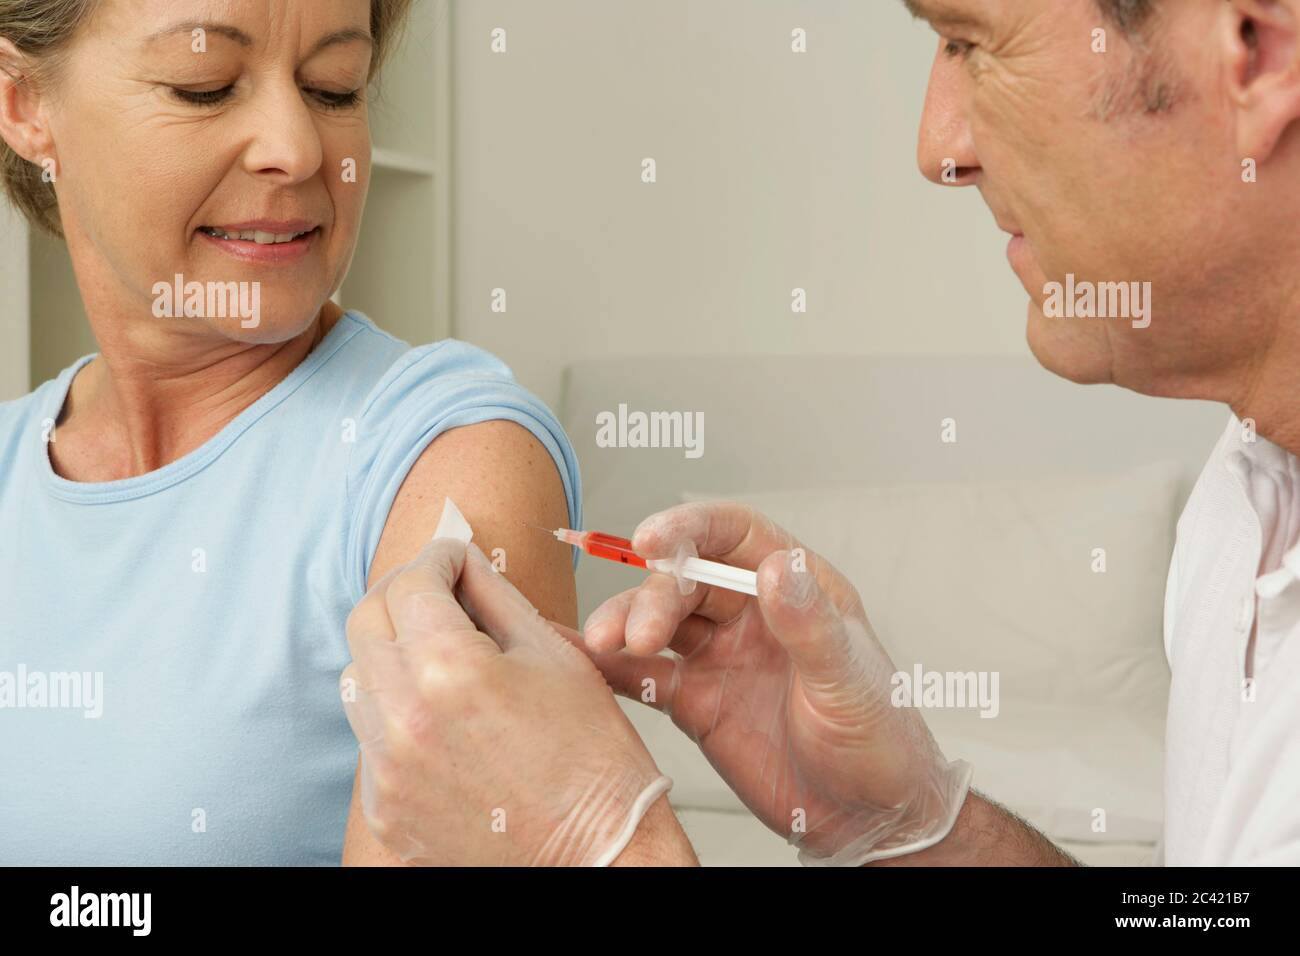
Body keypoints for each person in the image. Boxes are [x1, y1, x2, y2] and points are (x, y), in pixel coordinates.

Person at [345, 0, 1300, 866]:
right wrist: (910, 825)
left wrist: (599, 848)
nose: (938, 147)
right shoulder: (1248, 492)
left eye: (970, 43)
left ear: (1260, 50)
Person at [0, 0, 592, 865]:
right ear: (23, 103)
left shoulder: (441, 457)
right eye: (204, 88)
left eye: (333, 87)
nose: (299, 148)